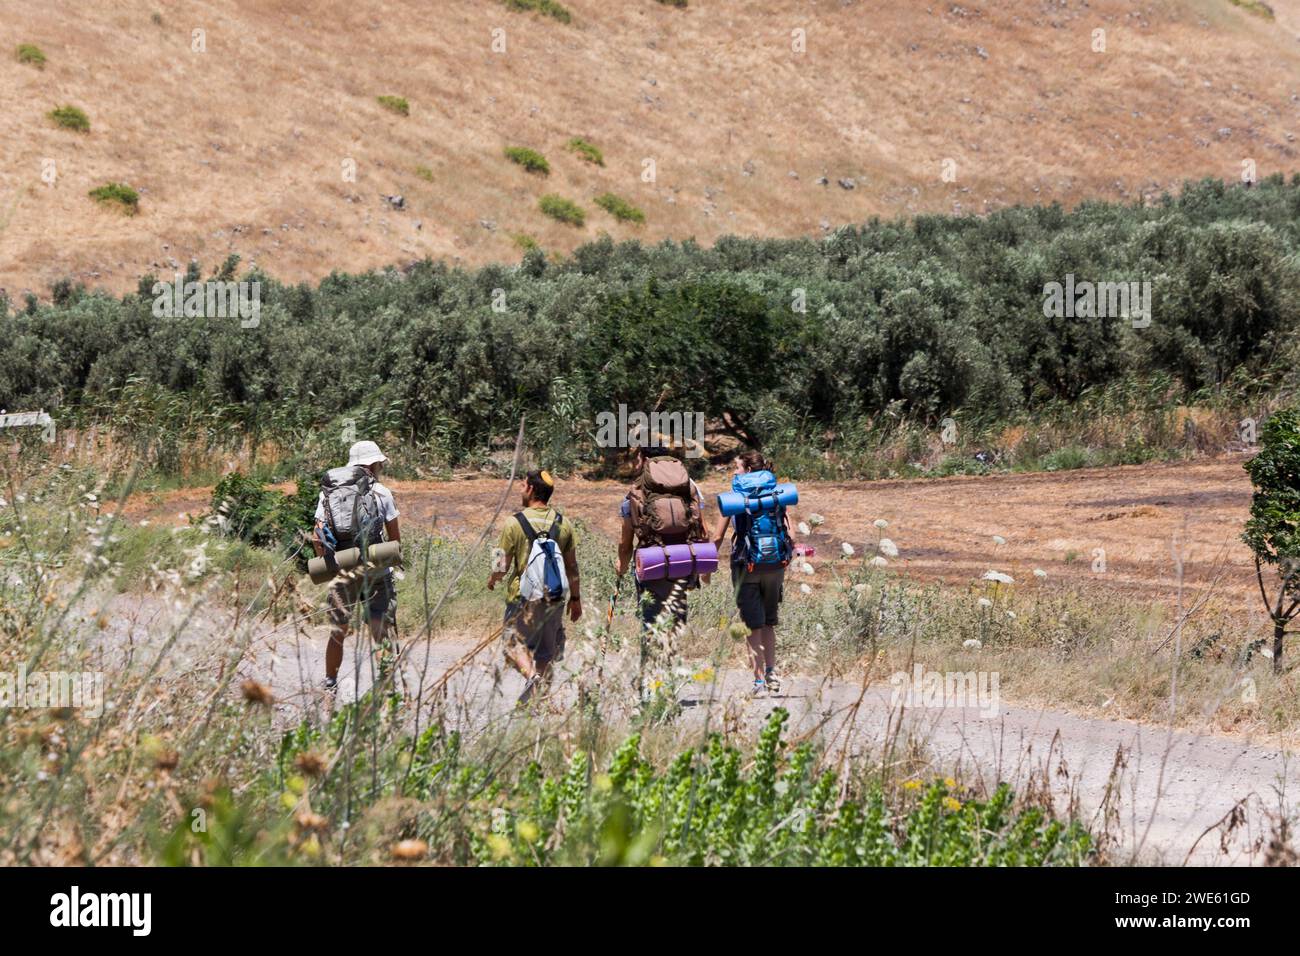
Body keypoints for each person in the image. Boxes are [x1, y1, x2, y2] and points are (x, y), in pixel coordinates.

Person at [312, 440, 401, 694]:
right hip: (377, 573)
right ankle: (387, 688)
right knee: (380, 630)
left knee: (338, 629)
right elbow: (395, 539)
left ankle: (330, 682)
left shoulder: (328, 493)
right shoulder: (382, 493)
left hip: (343, 571)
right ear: (372, 465)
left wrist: (337, 562)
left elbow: (317, 538)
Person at [488, 470, 582, 705]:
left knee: (511, 645)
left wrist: (493, 578)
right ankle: (538, 701)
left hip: (522, 597)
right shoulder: (564, 523)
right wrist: (576, 599)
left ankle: (531, 678)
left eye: (522, 485)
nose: (520, 489)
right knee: (545, 652)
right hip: (554, 597)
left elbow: (501, 565)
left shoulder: (513, 523)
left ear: (530, 489)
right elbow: (572, 566)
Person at [712, 450, 795, 695]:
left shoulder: (735, 496)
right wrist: (785, 559)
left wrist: (705, 563)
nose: (734, 472)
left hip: (745, 565)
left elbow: (717, 536)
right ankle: (771, 673)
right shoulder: (777, 493)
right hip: (774, 565)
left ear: (747, 469)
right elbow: (790, 534)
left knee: (752, 625)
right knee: (769, 622)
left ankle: (758, 681)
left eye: (737, 467)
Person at [615, 445, 708, 635]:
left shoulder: (635, 495)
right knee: (674, 622)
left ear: (645, 460)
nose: (635, 463)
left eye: (637, 458)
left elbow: (625, 543)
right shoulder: (687, 490)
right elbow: (703, 531)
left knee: (651, 624)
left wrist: (621, 566)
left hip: (652, 562)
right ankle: (671, 659)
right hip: (683, 562)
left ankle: (651, 661)